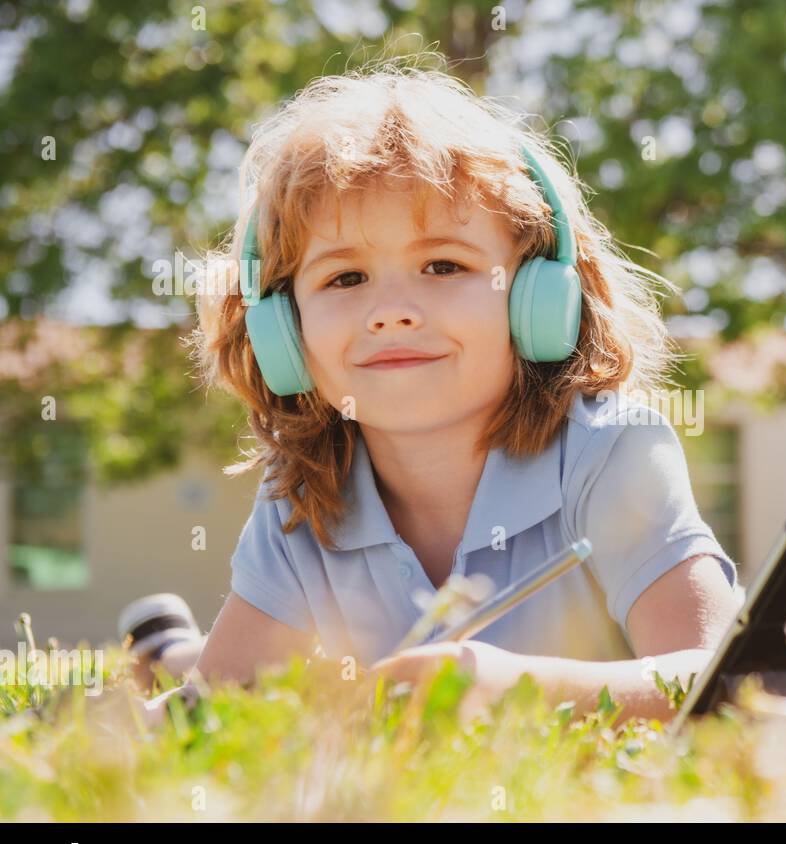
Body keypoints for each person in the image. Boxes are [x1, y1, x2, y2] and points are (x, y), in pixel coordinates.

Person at [137, 58, 740, 726]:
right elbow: (209, 707)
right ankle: (168, 648)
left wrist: (504, 686)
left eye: (443, 265)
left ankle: (169, 645)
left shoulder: (611, 454)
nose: (391, 310)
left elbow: (719, 677)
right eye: (345, 279)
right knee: (210, 671)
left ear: (540, 300)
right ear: (283, 330)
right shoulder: (300, 500)